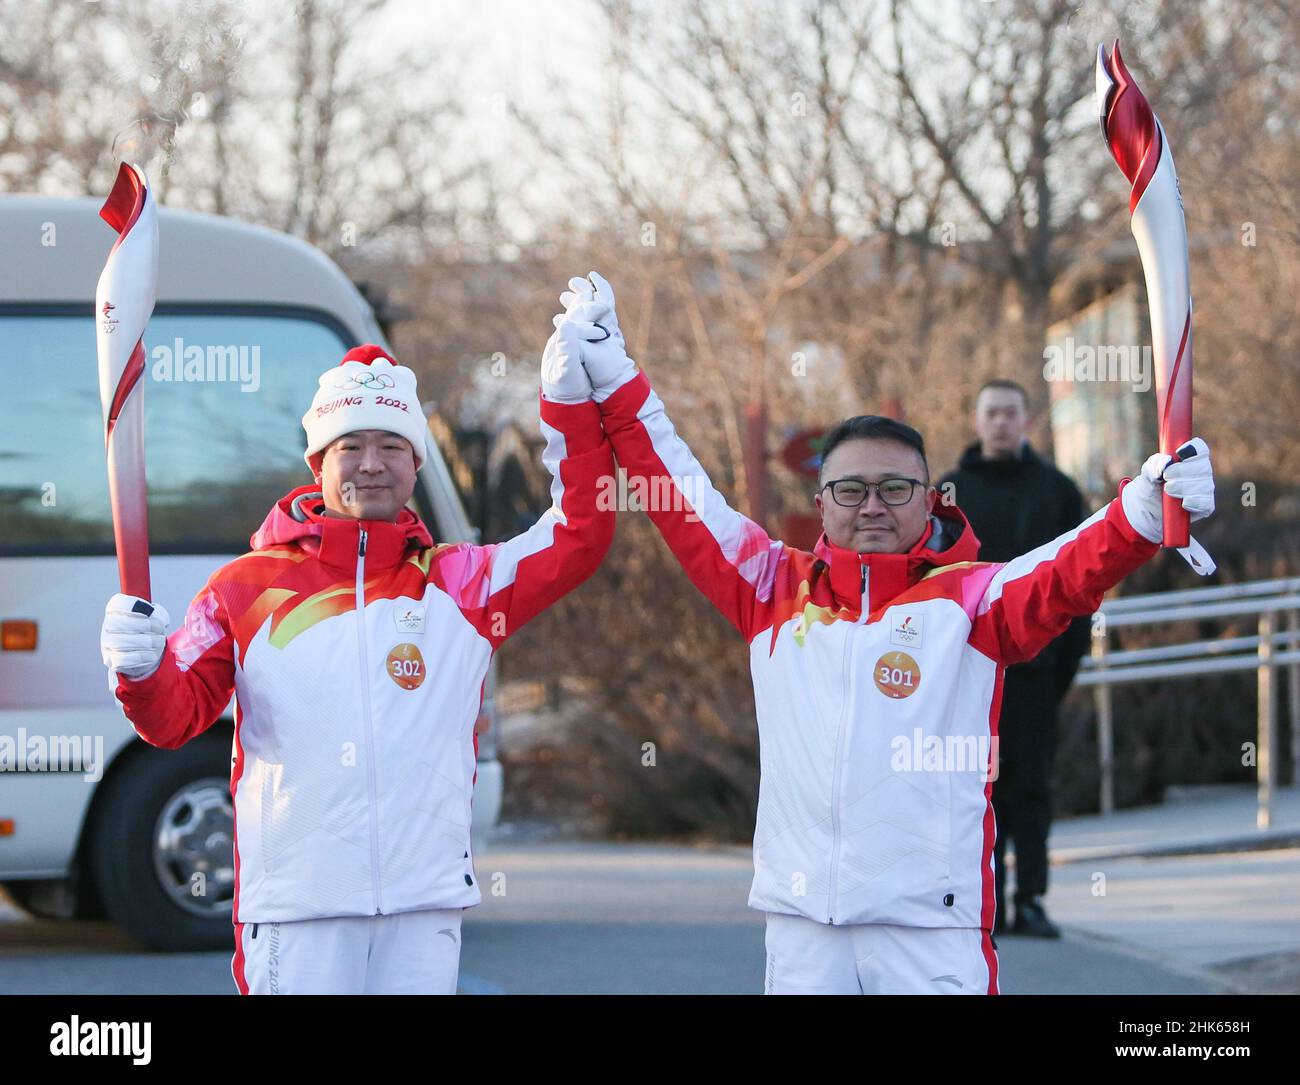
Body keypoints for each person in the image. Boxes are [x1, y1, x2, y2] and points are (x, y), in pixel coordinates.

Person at [560, 271, 1215, 995]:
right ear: (820, 503)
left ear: (929, 499)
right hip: (805, 924)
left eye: (894, 488)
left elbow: (1065, 571)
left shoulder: (971, 602)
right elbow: (680, 491)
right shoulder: (772, 588)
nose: (872, 505)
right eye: (850, 489)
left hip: (927, 930)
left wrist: (1140, 514)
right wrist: (619, 379)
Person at [99, 303, 613, 994]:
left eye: (391, 445)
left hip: (422, 906)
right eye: (351, 445)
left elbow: (582, 532)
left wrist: (571, 407)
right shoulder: (246, 587)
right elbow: (173, 718)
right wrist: (139, 670)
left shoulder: (462, 582)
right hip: (299, 910)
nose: (371, 464)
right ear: (318, 461)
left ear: (414, 462)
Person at [938, 380, 1089, 939]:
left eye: (1011, 413)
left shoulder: (1057, 491)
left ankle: (1030, 901)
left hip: (1036, 672)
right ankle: (987, 904)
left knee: (1031, 787)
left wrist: (1063, 665)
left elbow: (1080, 580)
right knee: (978, 791)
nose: (1001, 422)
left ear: (1027, 419)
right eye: (991, 413)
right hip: (966, 672)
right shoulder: (947, 494)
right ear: (976, 421)